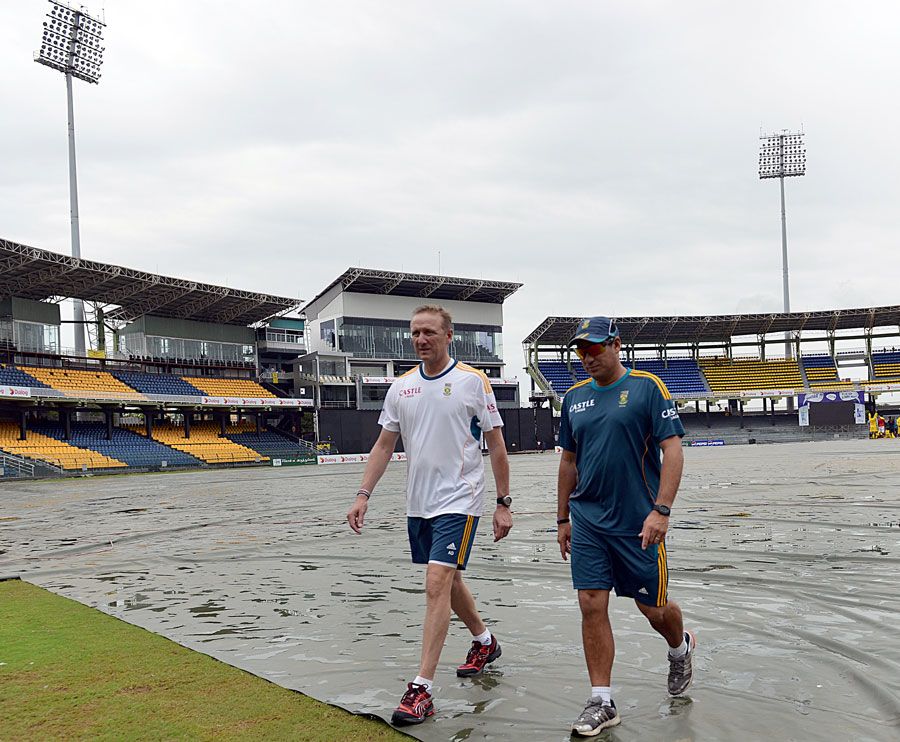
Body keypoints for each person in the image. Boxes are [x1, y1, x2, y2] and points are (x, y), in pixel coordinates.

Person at [347, 304, 513, 726]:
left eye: (429, 332)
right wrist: (363, 494)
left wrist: (503, 502)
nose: (421, 340)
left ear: (448, 335)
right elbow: (384, 445)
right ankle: (485, 642)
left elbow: (496, 444)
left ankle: (421, 689)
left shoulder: (473, 381)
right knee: (449, 580)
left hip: (460, 499)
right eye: (415, 333)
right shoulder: (401, 387)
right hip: (419, 503)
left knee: (436, 582)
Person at [556, 316, 694, 736]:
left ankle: (680, 647)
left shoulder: (648, 388)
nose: (587, 357)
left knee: (653, 609)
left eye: (595, 348)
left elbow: (673, 451)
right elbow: (568, 462)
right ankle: (601, 701)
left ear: (616, 344)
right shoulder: (573, 398)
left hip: (638, 523)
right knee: (590, 603)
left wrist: (661, 510)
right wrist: (562, 518)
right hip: (588, 520)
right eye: (581, 351)